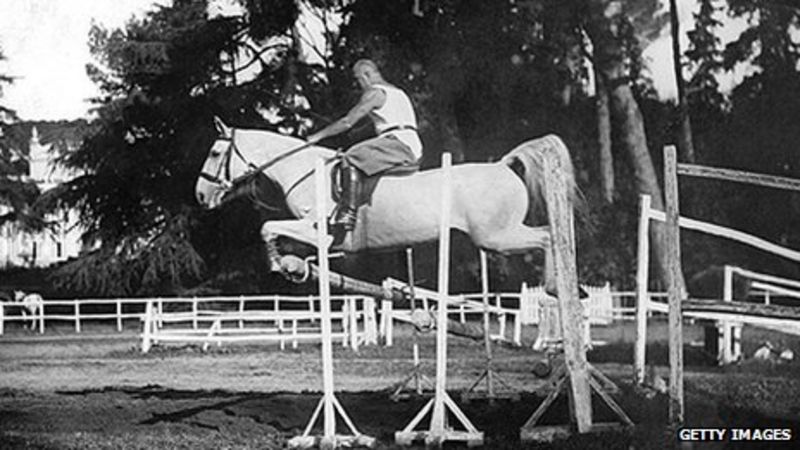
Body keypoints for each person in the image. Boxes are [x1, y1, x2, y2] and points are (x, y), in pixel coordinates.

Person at [306, 59, 422, 234]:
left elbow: (347, 121)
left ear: (366, 76)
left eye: (358, 80)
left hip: (398, 143)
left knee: (351, 156)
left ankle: (348, 213)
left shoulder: (375, 93)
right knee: (358, 152)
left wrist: (317, 136)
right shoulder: (398, 93)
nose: (359, 85)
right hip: (410, 143)